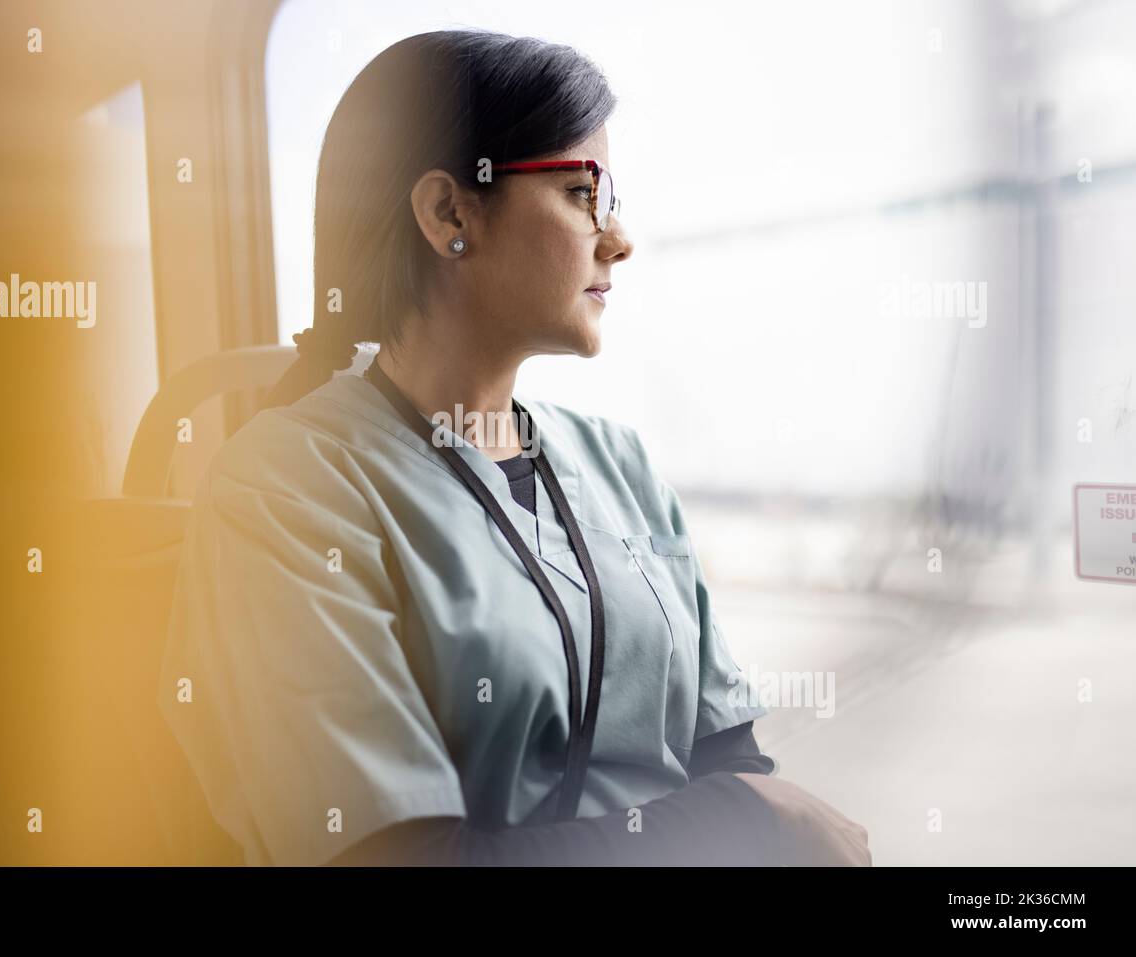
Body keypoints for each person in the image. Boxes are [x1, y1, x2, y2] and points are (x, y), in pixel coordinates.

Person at [158, 28, 870, 868]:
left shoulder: (621, 465)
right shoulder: (284, 490)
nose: (619, 237)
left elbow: (730, 762)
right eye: (582, 192)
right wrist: (741, 825)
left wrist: (745, 816)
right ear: (449, 213)